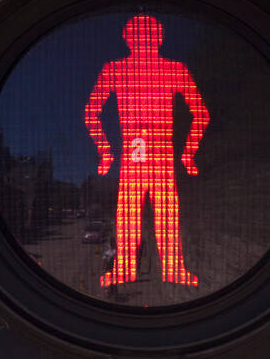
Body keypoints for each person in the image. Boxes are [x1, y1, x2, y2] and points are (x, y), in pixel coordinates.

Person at [84, 15, 209, 288]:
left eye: (146, 36)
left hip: (141, 161)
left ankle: (153, 269)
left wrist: (106, 153)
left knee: (144, 219)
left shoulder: (120, 69)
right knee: (151, 218)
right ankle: (162, 269)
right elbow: (201, 113)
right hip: (151, 161)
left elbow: (90, 113)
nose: (143, 42)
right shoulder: (162, 69)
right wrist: (188, 154)